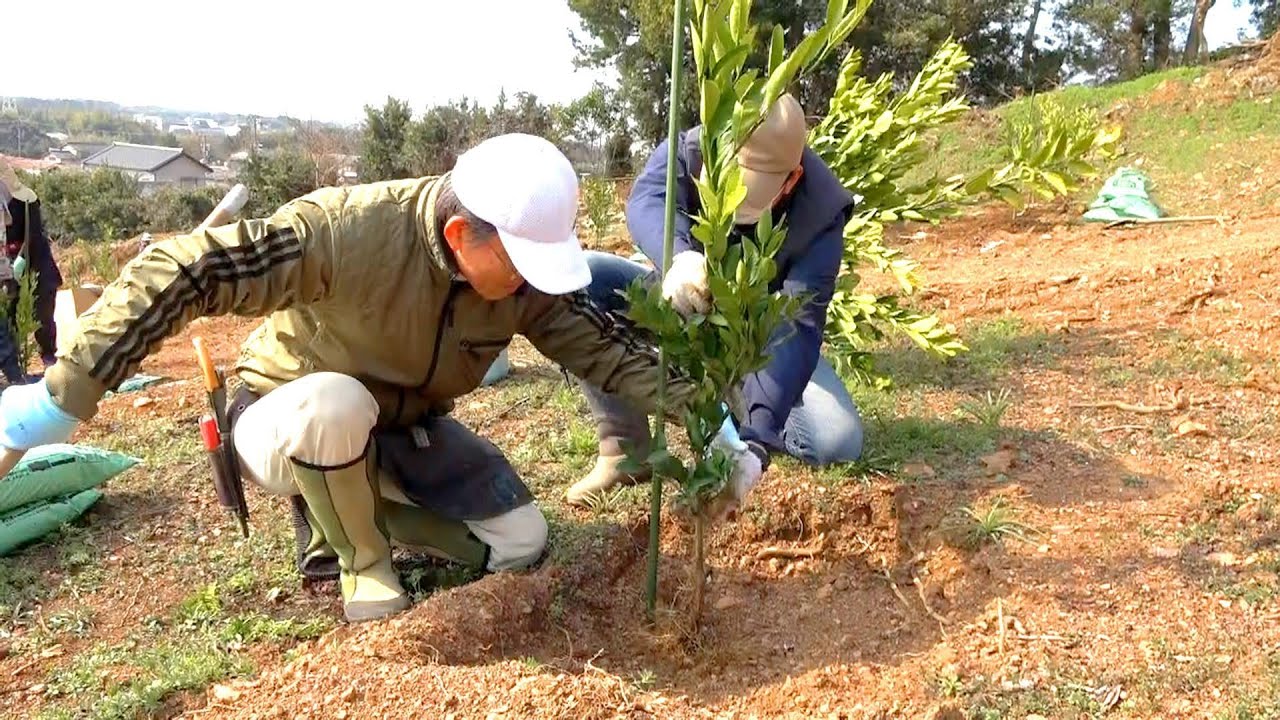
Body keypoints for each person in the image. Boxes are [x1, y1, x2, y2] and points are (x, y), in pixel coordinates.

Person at [0, 134, 763, 624]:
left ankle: (366, 515)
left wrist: (714, 425)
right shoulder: (347, 232)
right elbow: (189, 266)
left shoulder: (518, 282)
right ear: (462, 235)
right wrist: (62, 397)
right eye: (522, 265)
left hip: (400, 426)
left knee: (520, 540)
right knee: (337, 403)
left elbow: (611, 354)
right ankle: (361, 565)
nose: (532, 284)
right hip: (286, 409)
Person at [567, 94, 864, 506]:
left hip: (761, 342)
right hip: (682, 303)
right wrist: (679, 256)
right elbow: (646, 200)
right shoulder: (691, 148)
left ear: (792, 179)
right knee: (587, 277)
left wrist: (756, 442)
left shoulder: (821, 213)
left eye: (754, 198)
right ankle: (624, 449)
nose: (739, 210)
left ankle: (733, 405)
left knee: (834, 440)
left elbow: (798, 325)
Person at [0, 160, 63, 384]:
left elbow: (32, 239)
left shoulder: (26, 203)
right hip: (10, 272)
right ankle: (14, 371)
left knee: (42, 317)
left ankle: (48, 361)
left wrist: (17, 262)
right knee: (9, 323)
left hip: (36, 268)